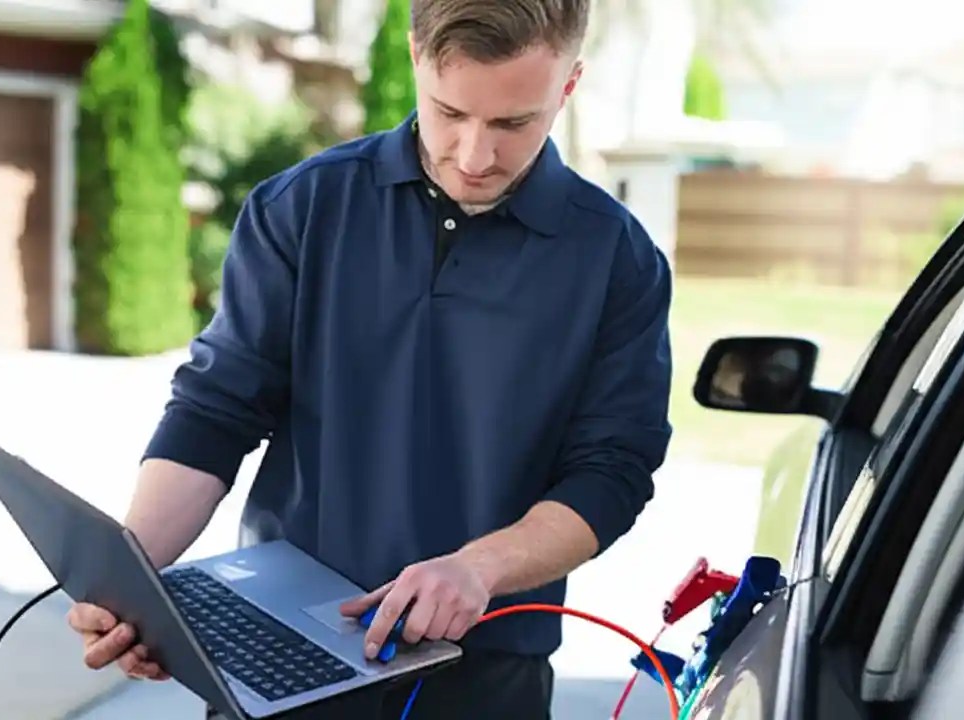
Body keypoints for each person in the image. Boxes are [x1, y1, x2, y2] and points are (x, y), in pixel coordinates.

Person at [65, 0, 673, 717]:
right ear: (417, 55)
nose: (475, 156)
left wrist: (478, 568)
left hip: (484, 678)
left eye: (514, 123)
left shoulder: (618, 260)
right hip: (282, 651)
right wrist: (137, 574)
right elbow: (215, 410)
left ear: (568, 86)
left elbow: (613, 472)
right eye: (450, 113)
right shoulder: (301, 208)